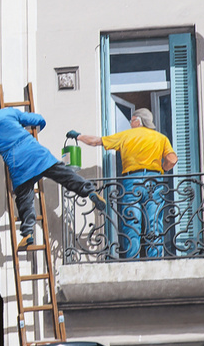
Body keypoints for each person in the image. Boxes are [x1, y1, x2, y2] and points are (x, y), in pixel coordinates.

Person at [0, 96, 104, 251]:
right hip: (36, 152)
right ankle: (89, 191)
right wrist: (31, 130)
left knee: (24, 198)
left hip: (18, 164)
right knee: (65, 175)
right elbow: (39, 120)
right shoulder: (7, 112)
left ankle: (28, 233)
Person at [72, 109, 177, 258]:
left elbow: (96, 141)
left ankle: (131, 259)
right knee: (154, 222)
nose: (130, 123)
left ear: (138, 121)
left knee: (131, 221)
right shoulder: (160, 138)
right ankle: (155, 259)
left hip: (131, 181)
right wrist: (163, 169)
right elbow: (172, 159)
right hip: (154, 181)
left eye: (132, 120)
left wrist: (78, 136)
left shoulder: (126, 135)